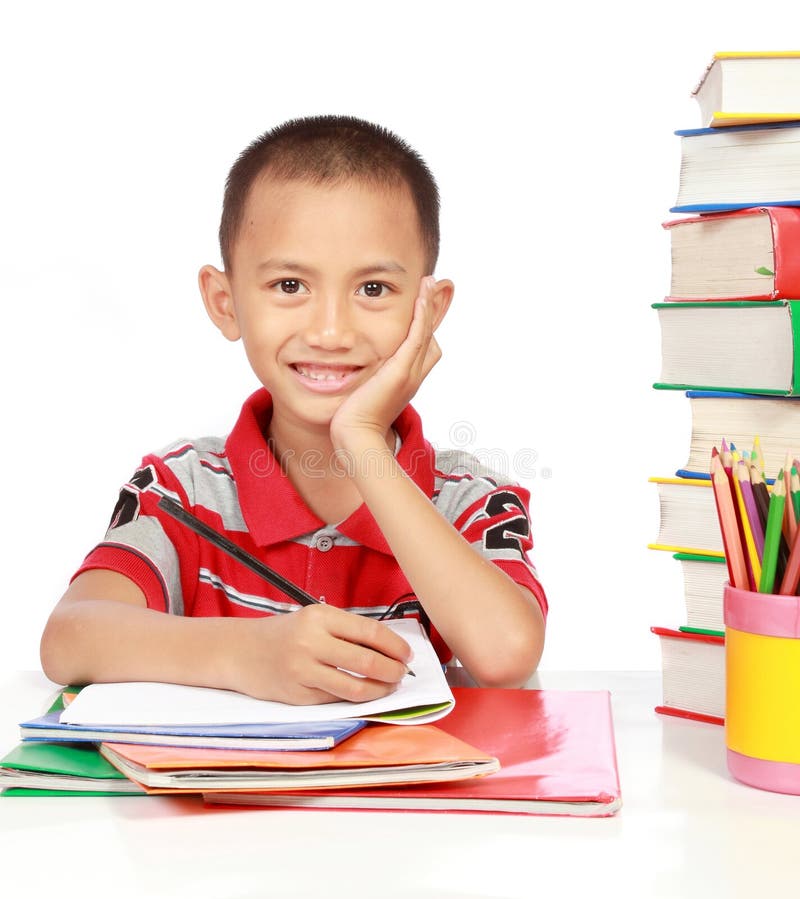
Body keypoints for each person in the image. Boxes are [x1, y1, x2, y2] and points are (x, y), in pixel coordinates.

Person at [40, 115, 547, 704]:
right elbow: (68, 639)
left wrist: (360, 441)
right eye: (289, 286)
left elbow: (506, 656)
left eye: (373, 290)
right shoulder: (181, 489)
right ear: (225, 302)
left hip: (398, 798)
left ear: (429, 310)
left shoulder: (470, 499)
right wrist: (249, 652)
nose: (330, 331)